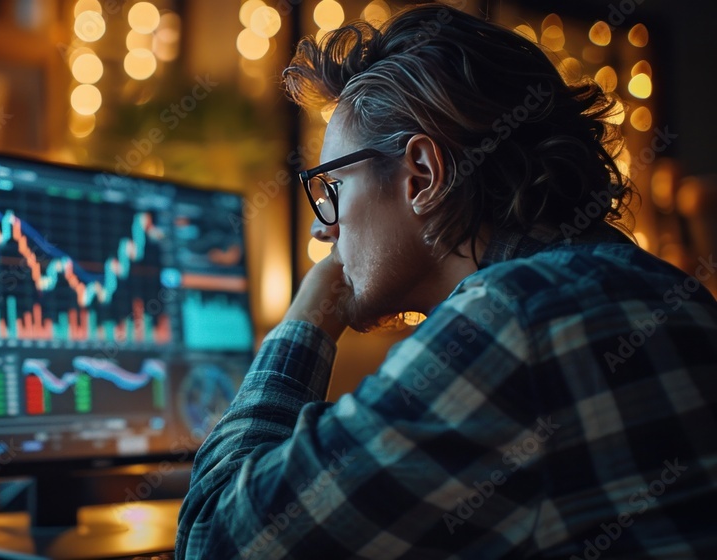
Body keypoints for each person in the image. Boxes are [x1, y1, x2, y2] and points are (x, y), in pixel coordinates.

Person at [175, 4, 717, 559]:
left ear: (422, 175)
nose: (322, 228)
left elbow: (214, 538)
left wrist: (306, 320)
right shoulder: (673, 293)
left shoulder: (509, 323)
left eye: (333, 188)